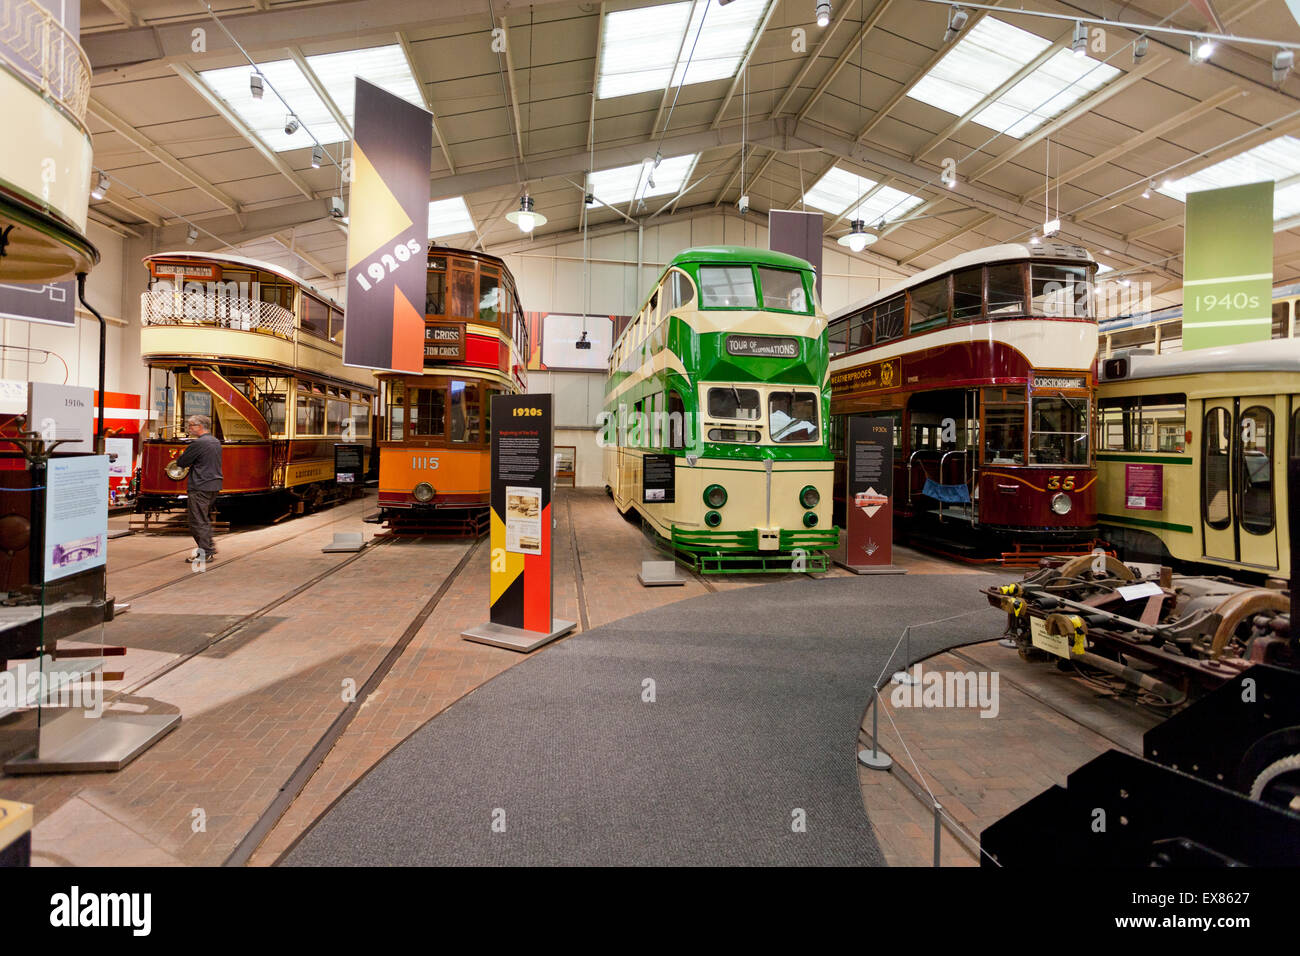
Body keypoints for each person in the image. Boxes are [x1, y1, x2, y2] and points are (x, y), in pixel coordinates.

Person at [175, 414, 223, 563]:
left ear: (200, 426)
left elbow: (182, 462)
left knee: (197, 521)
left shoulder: (199, 443)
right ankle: (209, 547)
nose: (189, 429)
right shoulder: (215, 441)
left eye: (191, 426)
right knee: (203, 518)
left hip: (200, 485)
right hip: (214, 484)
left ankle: (205, 553)